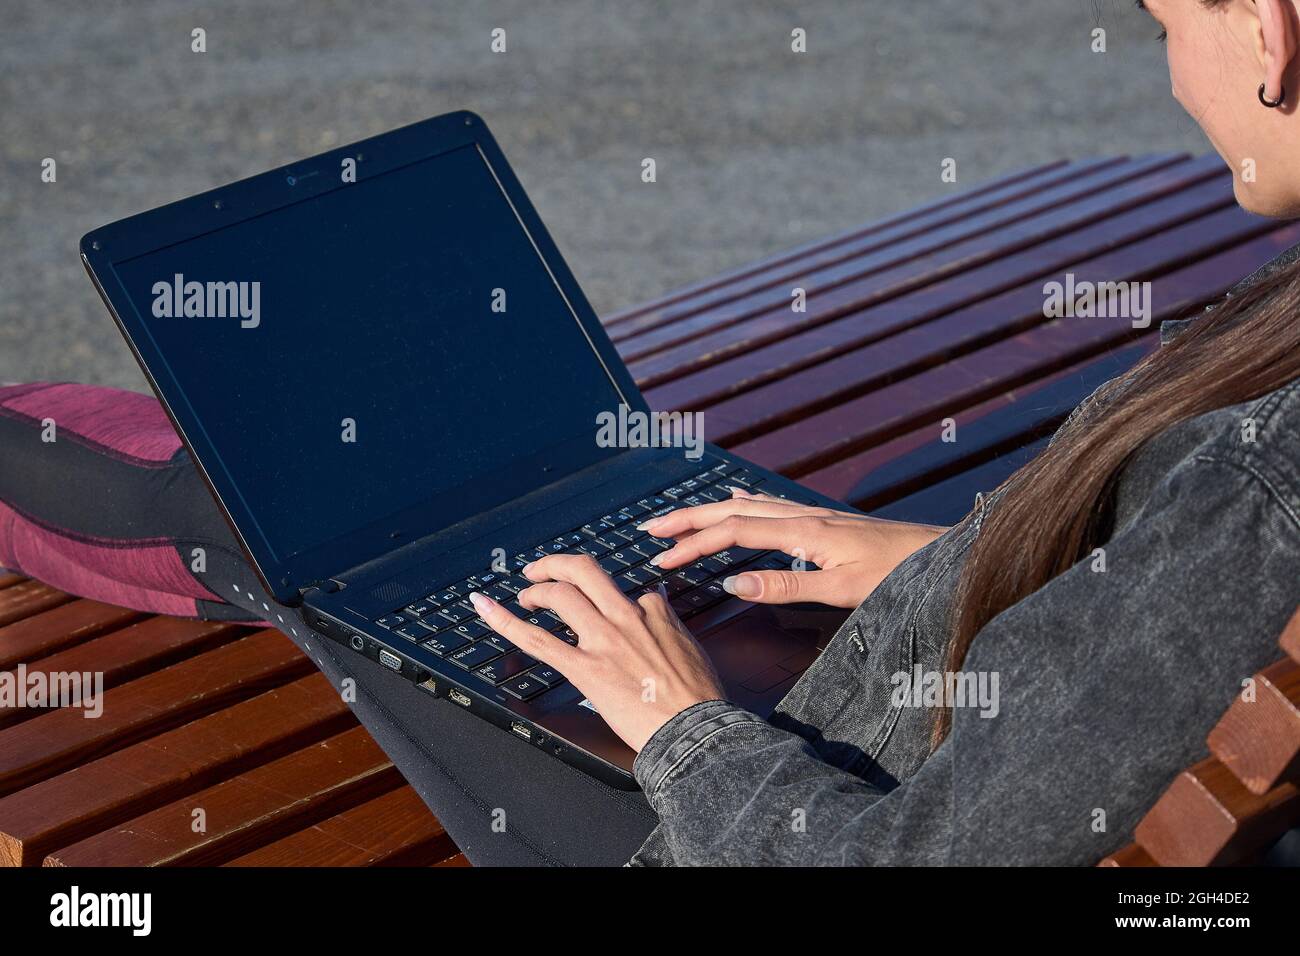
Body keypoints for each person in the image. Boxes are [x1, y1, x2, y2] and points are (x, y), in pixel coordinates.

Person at [2, 0, 1298, 865]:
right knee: (364, 517)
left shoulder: (1261, 487)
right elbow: (1143, 641)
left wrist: (671, 716)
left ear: (1269, 26)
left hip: (714, 818)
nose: (1169, 62)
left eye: (1166, 12)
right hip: (867, 701)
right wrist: (940, 560)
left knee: (280, 528)